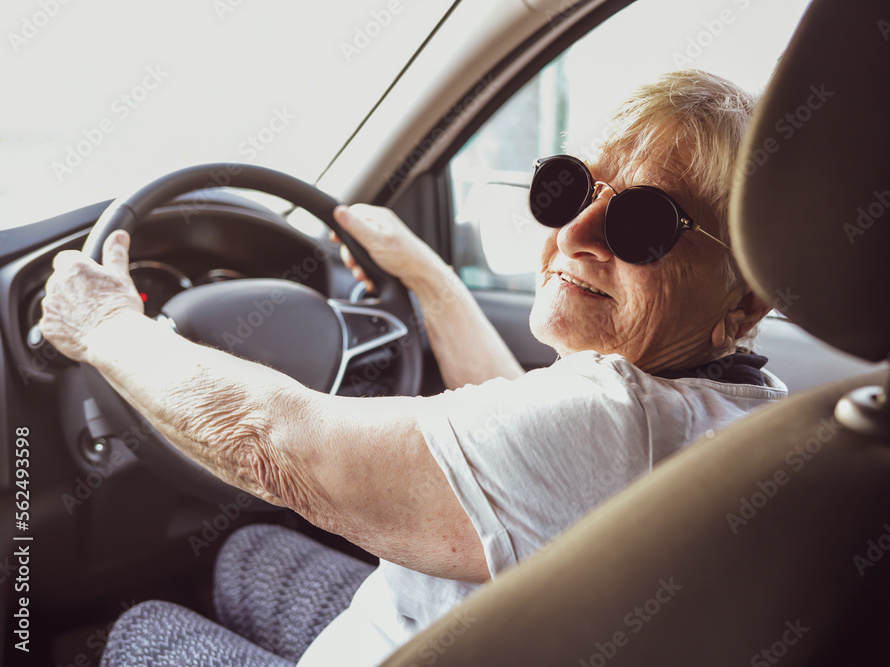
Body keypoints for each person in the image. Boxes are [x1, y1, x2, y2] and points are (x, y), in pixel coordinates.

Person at [40, 69, 787, 667]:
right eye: (573, 187)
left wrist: (105, 325)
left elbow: (273, 443)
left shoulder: (615, 419)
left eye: (644, 222)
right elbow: (527, 449)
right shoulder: (749, 408)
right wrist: (426, 277)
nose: (576, 233)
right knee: (240, 550)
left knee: (134, 628)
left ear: (746, 300)